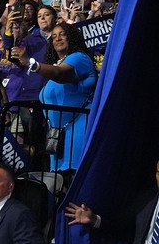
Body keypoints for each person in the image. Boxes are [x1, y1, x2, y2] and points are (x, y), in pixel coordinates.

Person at [10, 22, 96, 175]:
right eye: (54, 36)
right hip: (58, 137)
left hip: (77, 132)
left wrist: (33, 64)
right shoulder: (57, 65)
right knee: (59, 182)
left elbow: (60, 74)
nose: (57, 39)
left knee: (72, 179)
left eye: (62, 34)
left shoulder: (79, 58)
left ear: (72, 37)